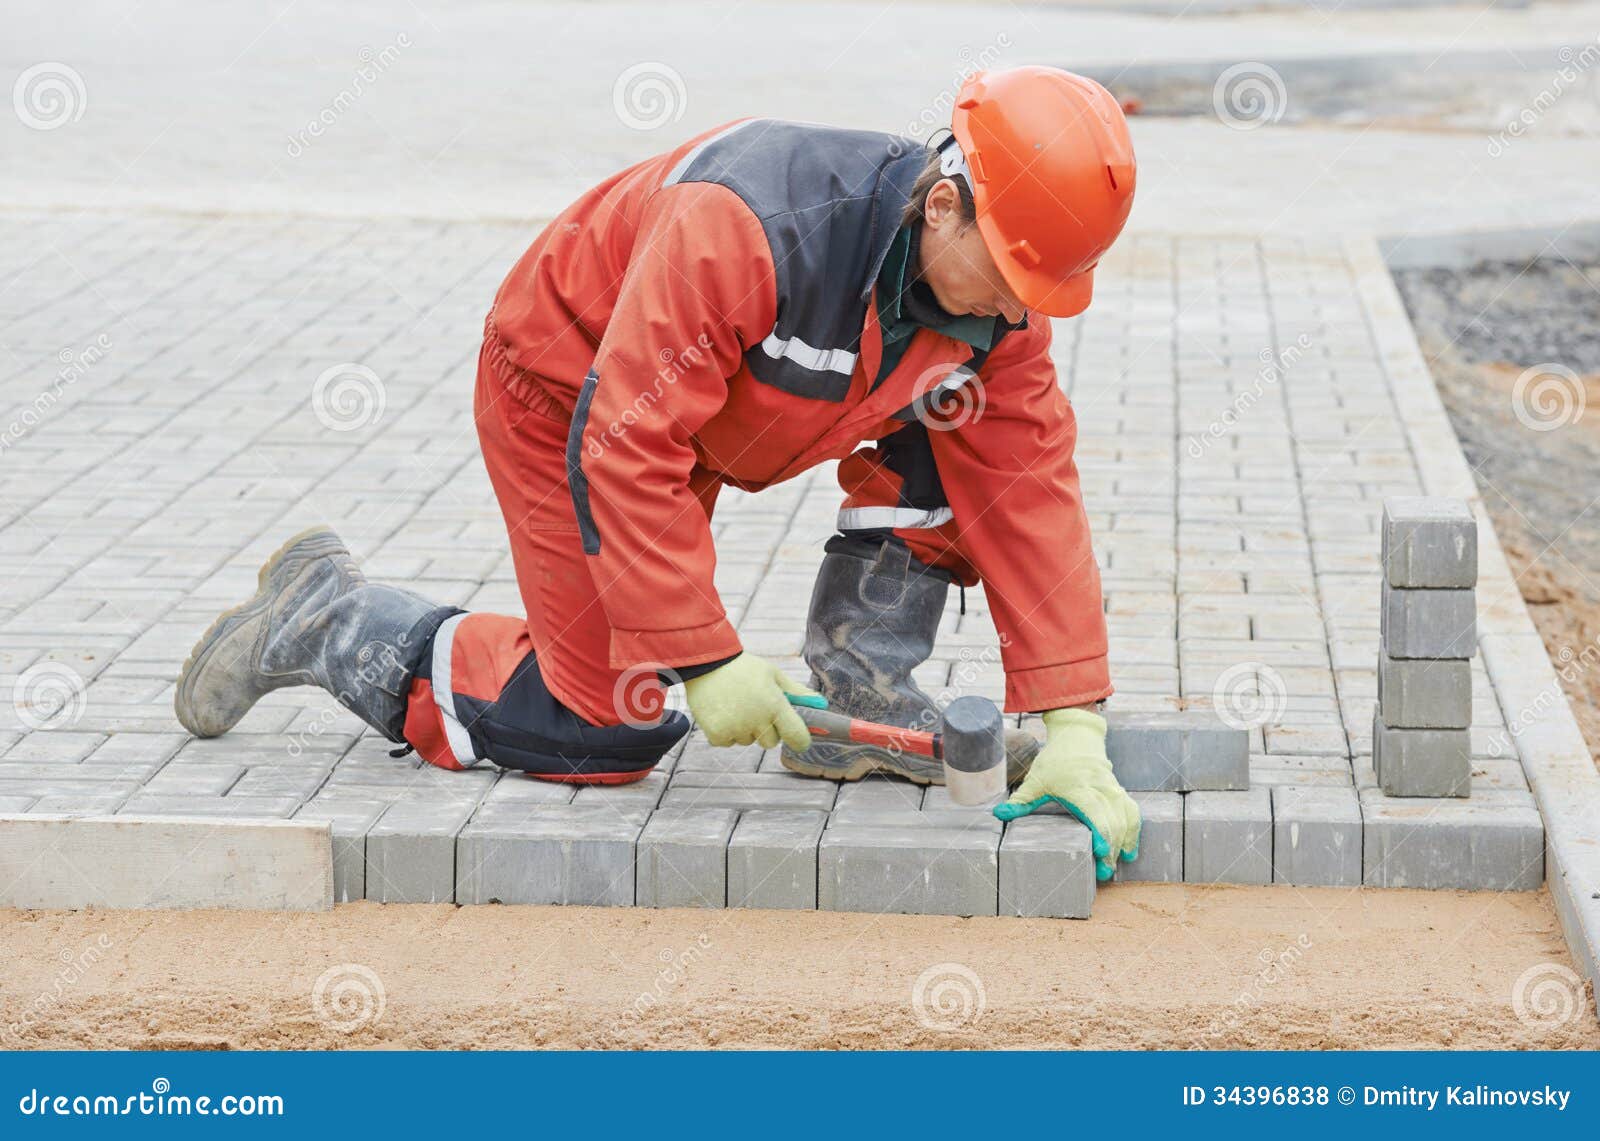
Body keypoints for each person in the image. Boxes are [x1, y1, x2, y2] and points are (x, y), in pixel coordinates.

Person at [176, 66, 1142, 878]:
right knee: (605, 725)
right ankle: (327, 613)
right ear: (945, 205)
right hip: (573, 395)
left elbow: (1031, 490)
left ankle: (862, 694)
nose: (1016, 317)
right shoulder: (747, 224)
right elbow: (628, 444)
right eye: (1010, 283)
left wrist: (1074, 728)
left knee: (966, 433)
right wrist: (706, 656)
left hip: (711, 414)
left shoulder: (995, 311)